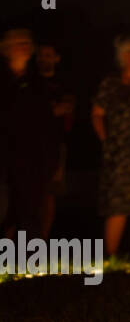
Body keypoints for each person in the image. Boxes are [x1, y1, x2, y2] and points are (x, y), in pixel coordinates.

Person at [92, 35, 130, 256]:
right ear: (125, 56)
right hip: (121, 153)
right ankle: (111, 254)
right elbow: (97, 114)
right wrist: (106, 140)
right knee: (118, 203)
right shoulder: (112, 84)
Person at [0, 29, 62, 239]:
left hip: (31, 159)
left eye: (26, 42)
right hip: (5, 156)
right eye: (18, 42)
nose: (23, 45)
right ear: (6, 49)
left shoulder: (36, 82)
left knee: (29, 210)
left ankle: (28, 254)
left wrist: (51, 158)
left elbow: (45, 122)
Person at [36, 43, 74, 237]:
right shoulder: (30, 81)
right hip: (30, 143)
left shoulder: (63, 84)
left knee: (50, 193)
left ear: (56, 58)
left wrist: (46, 112)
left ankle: (42, 240)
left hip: (55, 144)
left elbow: (67, 108)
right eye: (41, 54)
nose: (45, 58)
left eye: (49, 55)